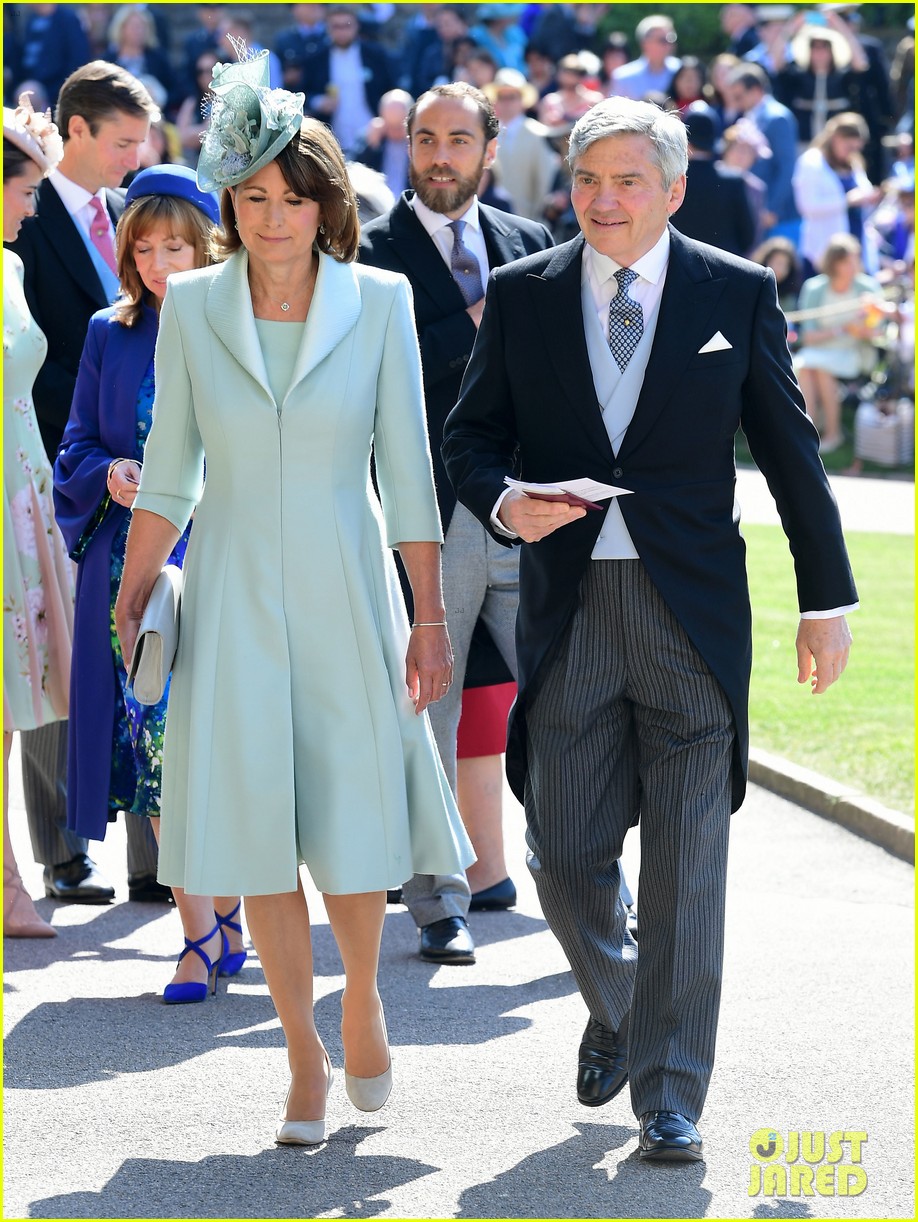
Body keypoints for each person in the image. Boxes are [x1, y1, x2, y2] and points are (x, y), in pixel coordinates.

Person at [442, 96, 856, 1164]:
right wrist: (505, 502)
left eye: (628, 181)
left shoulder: (737, 289)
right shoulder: (525, 293)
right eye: (587, 180)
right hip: (570, 609)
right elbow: (470, 438)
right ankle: (624, 1004)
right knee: (564, 854)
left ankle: (670, 1094)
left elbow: (792, 454)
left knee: (687, 867)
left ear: (673, 190)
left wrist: (825, 602)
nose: (604, 200)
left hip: (693, 618)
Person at [115, 48, 473, 1145]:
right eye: (254, 197)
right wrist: (134, 588)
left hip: (350, 587)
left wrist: (428, 616)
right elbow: (171, 467)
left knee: (352, 815)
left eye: (295, 198)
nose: (273, 218)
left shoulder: (382, 300)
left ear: (327, 205)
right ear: (230, 199)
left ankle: (362, 999)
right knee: (258, 825)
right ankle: (302, 1057)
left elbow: (408, 471)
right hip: (229, 591)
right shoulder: (191, 307)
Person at [359, 82, 553, 964]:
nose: (441, 156)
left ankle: (588, 876)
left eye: (458, 140)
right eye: (426, 139)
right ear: (407, 145)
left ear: (489, 147)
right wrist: (475, 324)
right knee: (427, 708)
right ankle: (437, 899)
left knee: (563, 701)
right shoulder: (366, 249)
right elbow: (376, 372)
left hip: (525, 510)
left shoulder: (530, 242)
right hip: (423, 514)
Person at [52, 165, 246, 1002]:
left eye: (176, 246)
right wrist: (112, 473)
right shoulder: (111, 330)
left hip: (228, 558)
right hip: (133, 570)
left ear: (208, 246)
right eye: (144, 247)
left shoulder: (246, 324)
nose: (160, 262)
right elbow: (75, 445)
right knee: (155, 747)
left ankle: (231, 913)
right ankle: (198, 933)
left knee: (227, 748)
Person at [7, 61, 162, 909]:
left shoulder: (137, 214)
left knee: (146, 645)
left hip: (146, 470)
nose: (135, 158)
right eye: (123, 142)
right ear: (75, 131)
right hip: (54, 465)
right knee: (53, 650)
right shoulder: (21, 221)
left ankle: (153, 854)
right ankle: (63, 851)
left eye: (143, 142)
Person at [3, 95, 72, 940]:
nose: (32, 208)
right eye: (25, 191)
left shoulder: (12, 268)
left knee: (12, 699)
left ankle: (8, 880)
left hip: (23, 491)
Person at [793, 232, 885, 453]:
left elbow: (879, 331)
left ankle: (831, 433)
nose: (853, 266)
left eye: (855, 259)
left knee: (817, 367)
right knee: (809, 367)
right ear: (834, 263)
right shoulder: (814, 288)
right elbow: (808, 336)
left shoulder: (869, 288)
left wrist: (863, 328)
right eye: (846, 261)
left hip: (855, 352)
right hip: (817, 352)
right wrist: (842, 329)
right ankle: (811, 430)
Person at [792, 111, 880, 280]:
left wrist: (870, 197)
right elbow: (806, 205)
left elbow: (863, 192)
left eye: (856, 148)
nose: (852, 152)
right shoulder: (811, 162)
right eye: (849, 147)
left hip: (855, 247)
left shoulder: (854, 162)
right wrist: (846, 201)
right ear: (836, 138)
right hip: (823, 249)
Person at [670, 102, 756, 257]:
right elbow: (747, 237)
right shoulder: (733, 181)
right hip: (724, 264)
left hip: (679, 263)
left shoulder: (672, 180)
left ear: (685, 141)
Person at [485, 69, 558, 221]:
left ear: (522, 100)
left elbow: (543, 181)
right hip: (490, 219)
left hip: (526, 218)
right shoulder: (487, 134)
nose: (507, 102)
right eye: (501, 97)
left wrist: (536, 216)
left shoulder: (537, 133)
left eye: (512, 97)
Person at [611, 14, 681, 102]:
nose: (669, 44)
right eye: (662, 40)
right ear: (645, 43)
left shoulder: (681, 71)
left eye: (672, 39)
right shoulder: (623, 77)